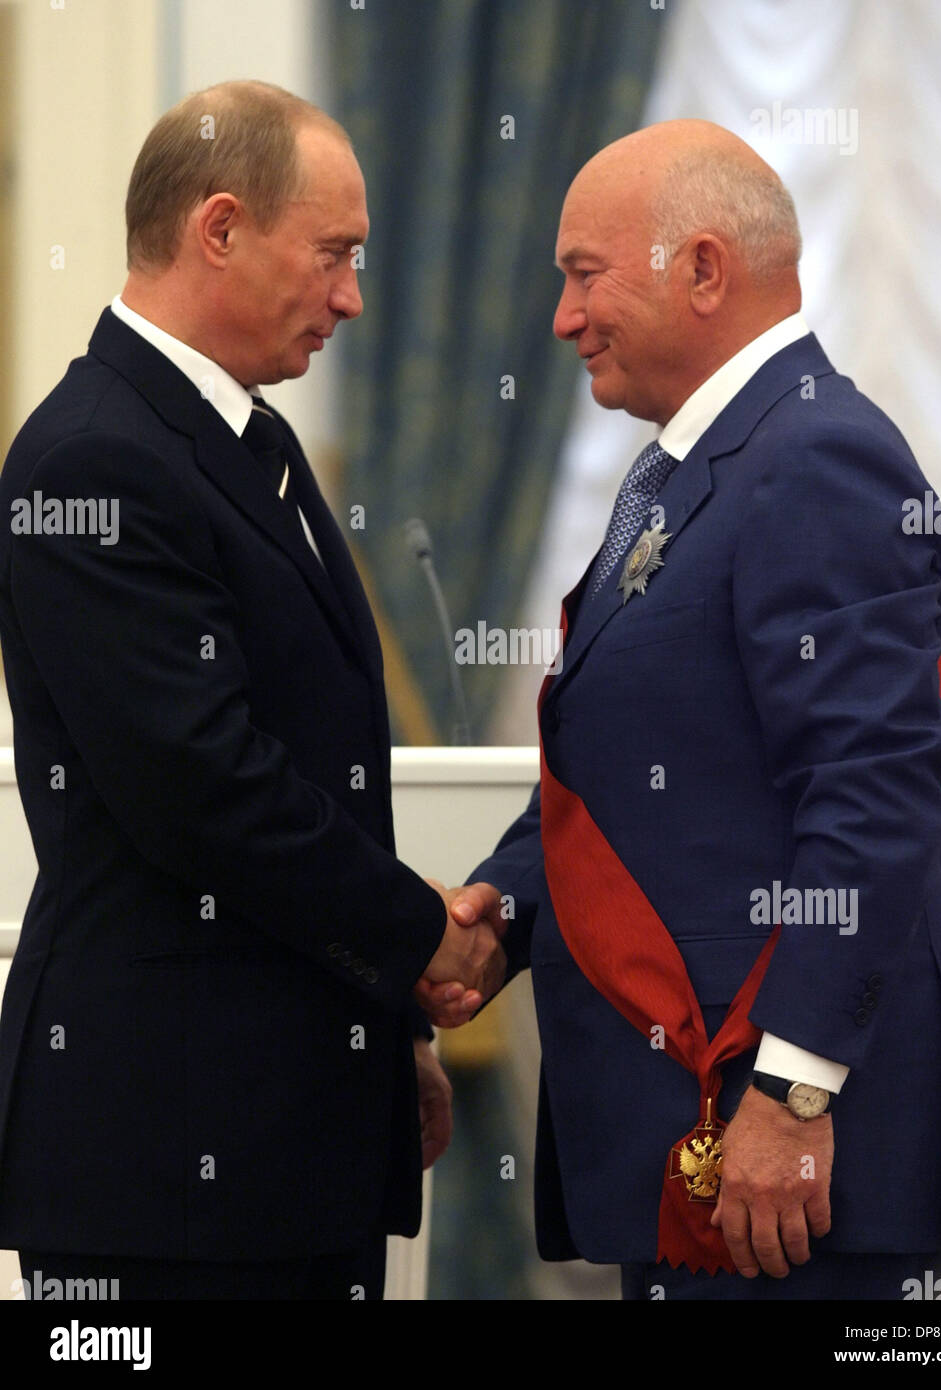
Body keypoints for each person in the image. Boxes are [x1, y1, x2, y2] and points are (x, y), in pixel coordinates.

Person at [420, 120, 941, 1300]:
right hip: (706, 1154)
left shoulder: (819, 459)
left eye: (582, 275)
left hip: (789, 1171)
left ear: (700, 268)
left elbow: (874, 796)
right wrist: (498, 915)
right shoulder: (697, 472)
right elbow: (636, 766)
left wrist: (792, 1091)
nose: (561, 318)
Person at [0, 80, 504, 1301]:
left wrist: (395, 1029)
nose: (351, 295)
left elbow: (312, 765)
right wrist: (416, 933)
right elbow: (206, 793)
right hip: (165, 1158)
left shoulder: (244, 439)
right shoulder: (95, 458)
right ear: (218, 228)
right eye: (333, 255)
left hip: (286, 1137)